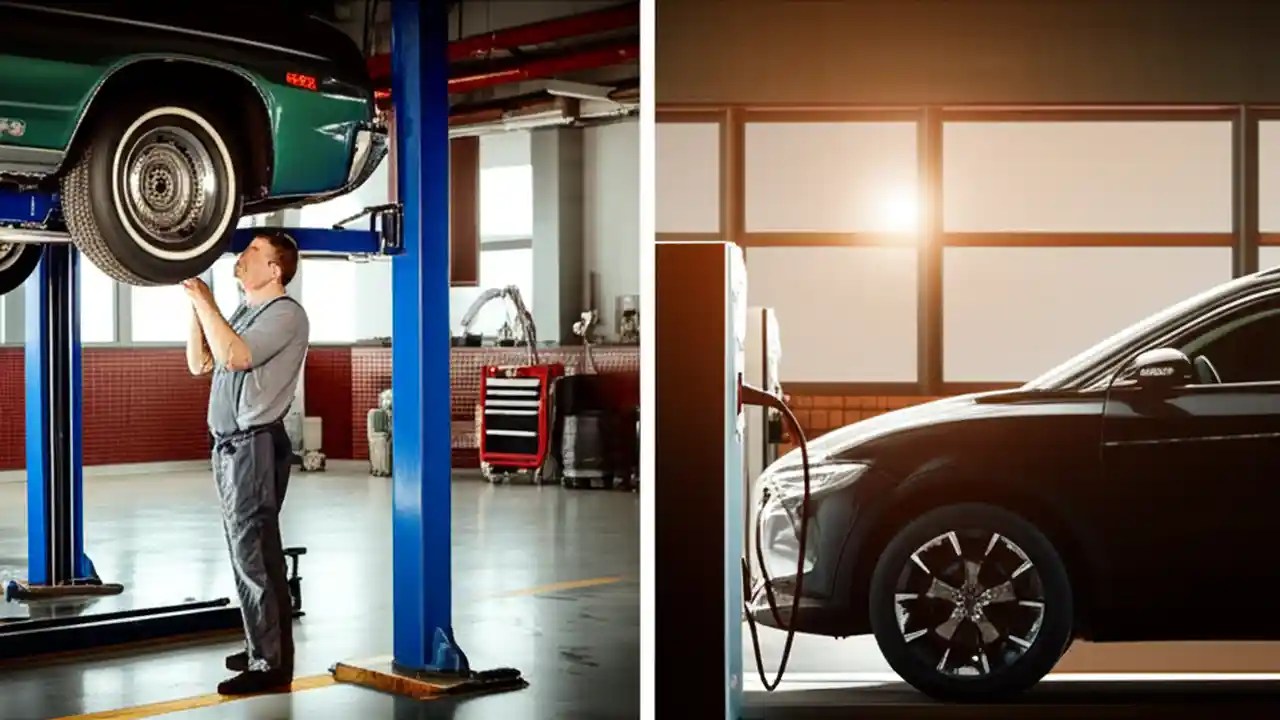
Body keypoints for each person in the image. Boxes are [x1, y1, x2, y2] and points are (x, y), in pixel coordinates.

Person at [183, 231, 309, 695]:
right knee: (250, 554)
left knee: (252, 554)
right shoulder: (243, 312)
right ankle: (263, 647)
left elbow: (235, 356)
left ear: (275, 270)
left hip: (253, 446)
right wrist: (197, 304)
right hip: (232, 448)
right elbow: (200, 362)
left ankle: (270, 665)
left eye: (253, 252)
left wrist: (205, 300)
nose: (242, 255)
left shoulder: (285, 314)